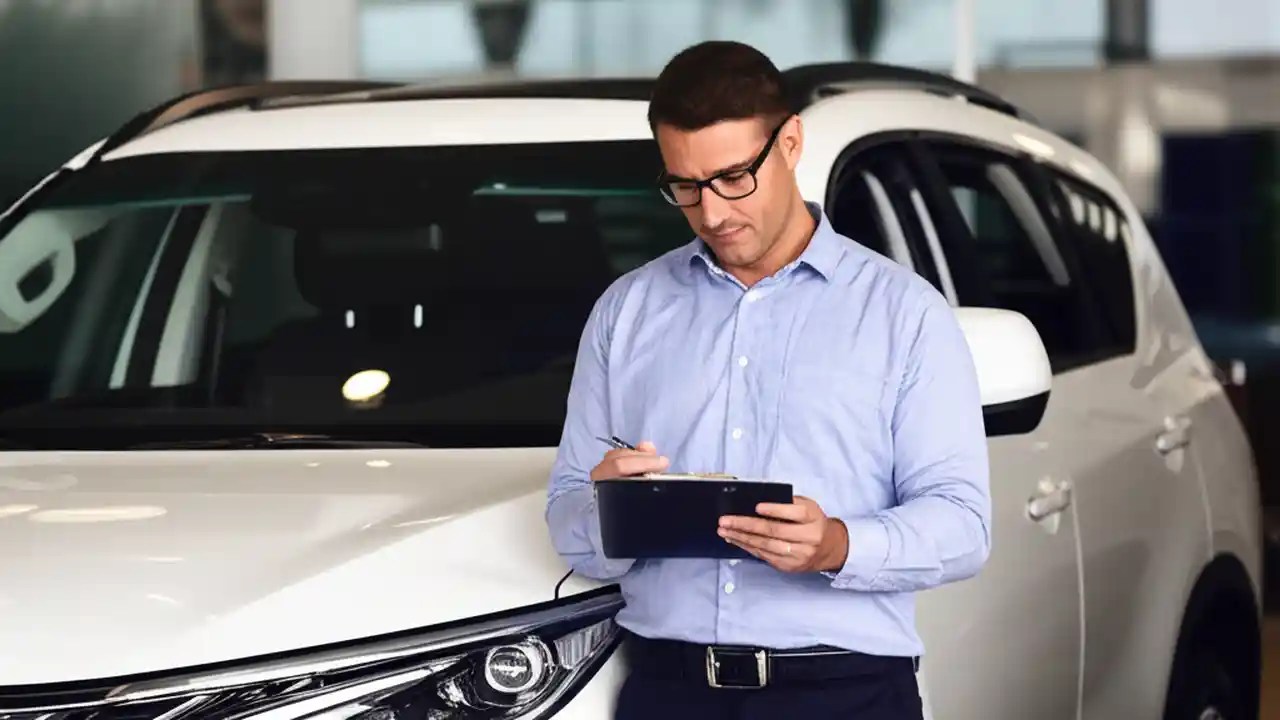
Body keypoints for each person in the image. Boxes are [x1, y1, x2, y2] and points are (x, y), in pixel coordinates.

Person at [545, 40, 991, 720]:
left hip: (844, 693)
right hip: (665, 691)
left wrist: (838, 545)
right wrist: (607, 513)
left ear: (790, 143)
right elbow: (566, 511)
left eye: (733, 178)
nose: (712, 213)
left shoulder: (904, 314)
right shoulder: (625, 313)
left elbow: (963, 524)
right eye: (686, 187)